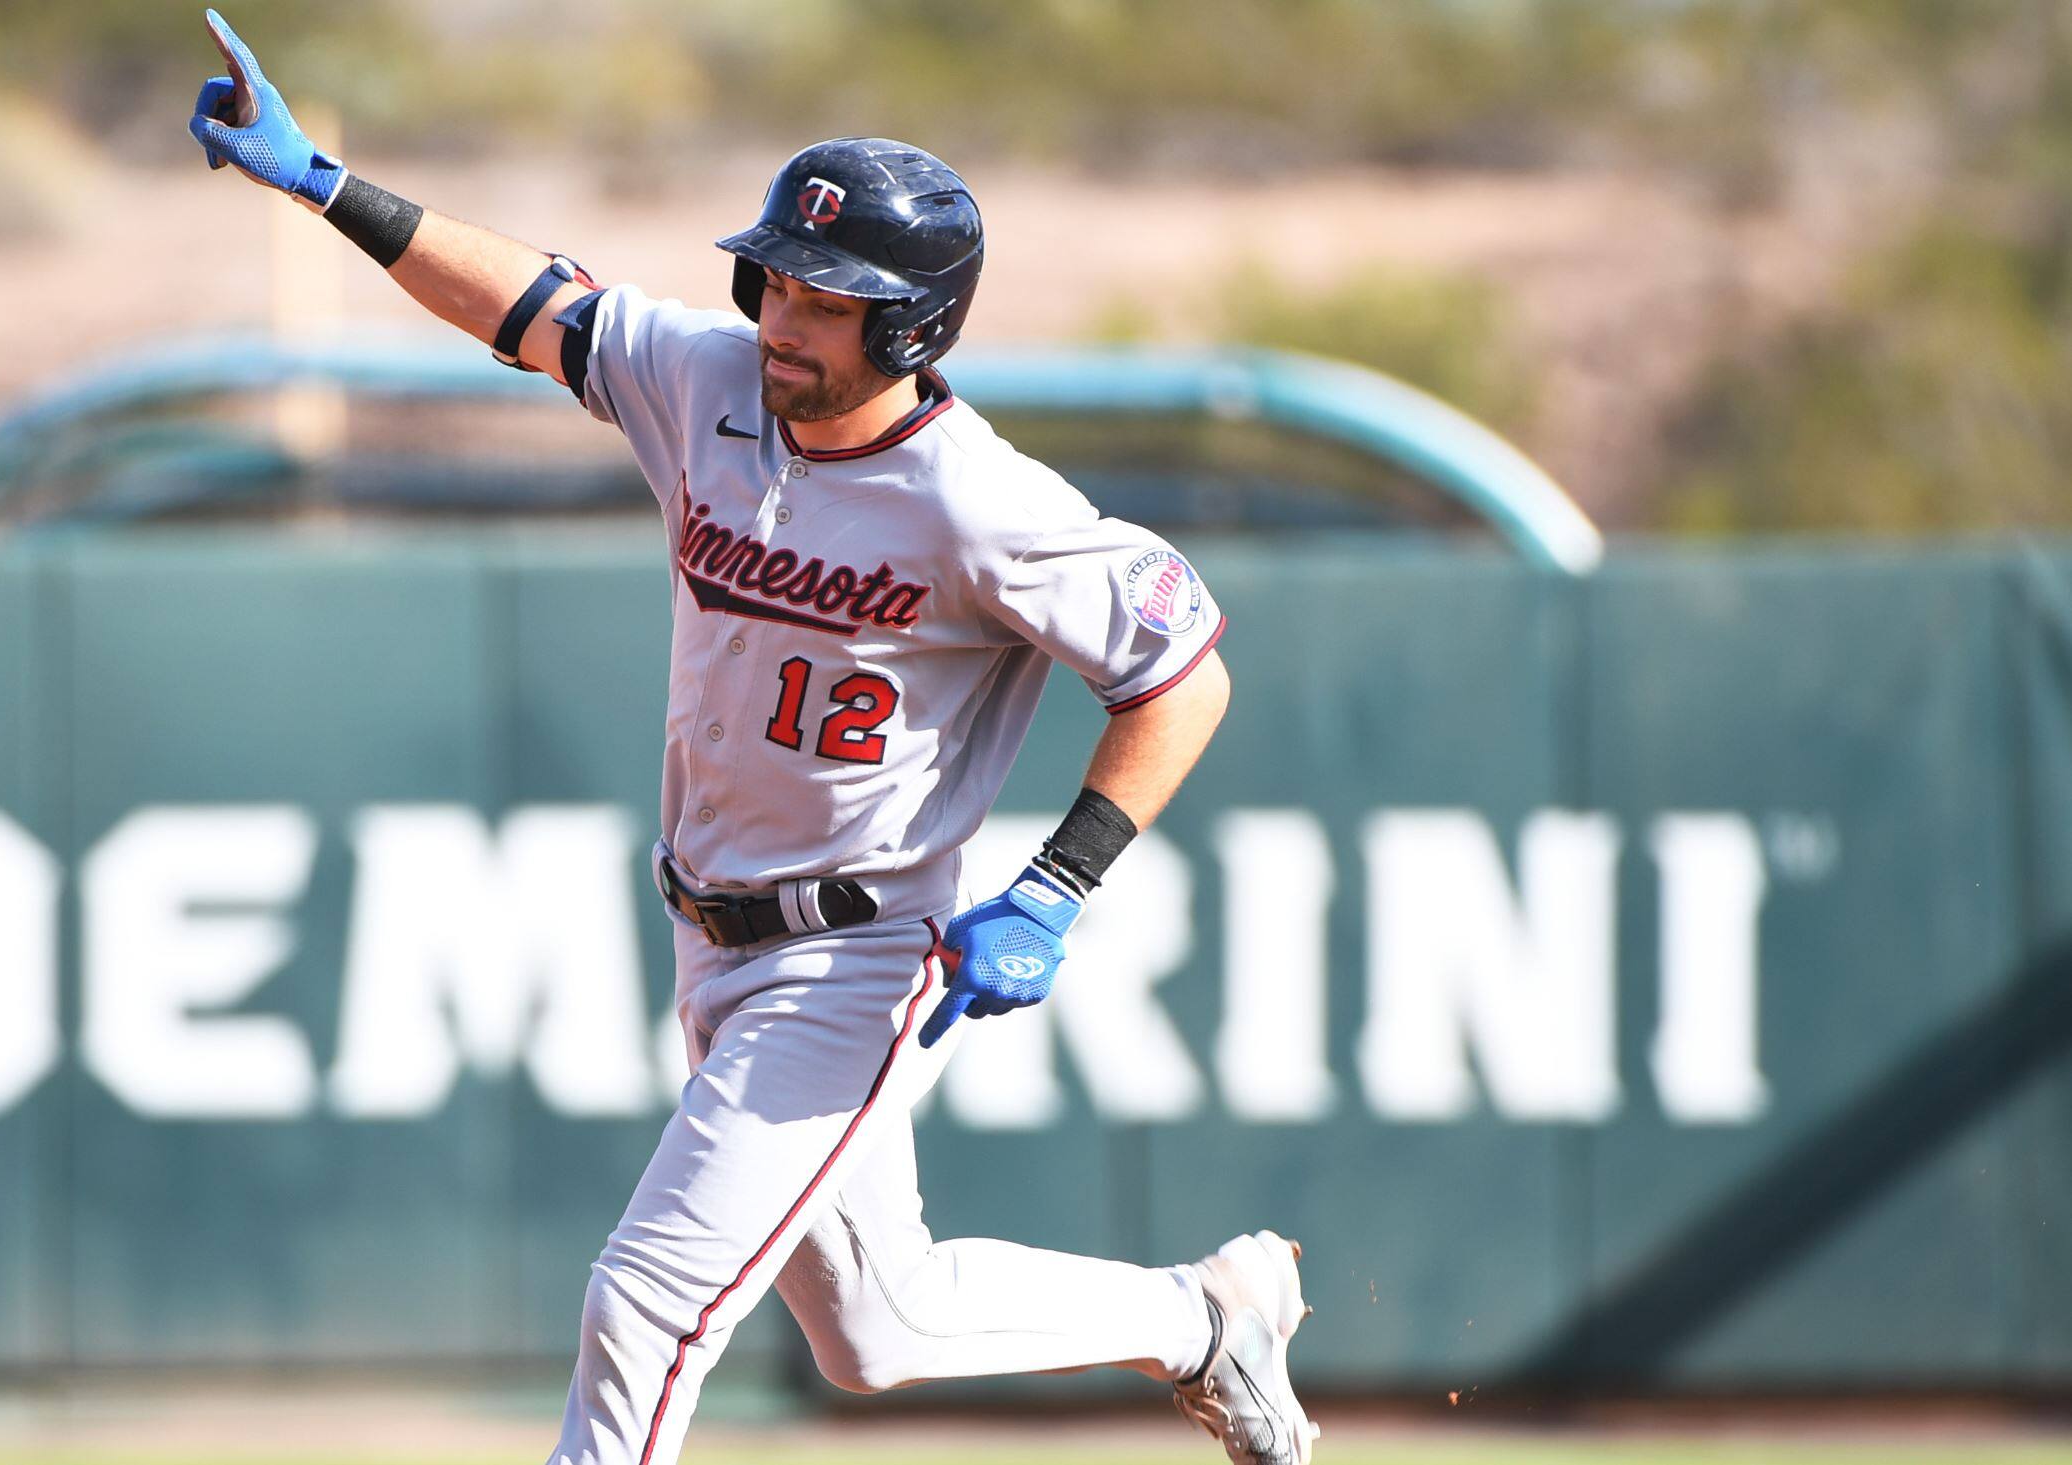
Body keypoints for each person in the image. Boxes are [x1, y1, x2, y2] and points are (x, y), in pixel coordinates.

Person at [186, 12, 1318, 1464]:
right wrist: (323, 183)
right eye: (774, 278)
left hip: (852, 953)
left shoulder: (983, 504)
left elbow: (1184, 671)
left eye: (822, 299)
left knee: (645, 1303)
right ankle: (1202, 1321)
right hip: (712, 933)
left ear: (909, 326)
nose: (780, 315)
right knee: (878, 1326)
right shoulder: (705, 383)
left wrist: (1055, 885)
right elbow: (536, 306)